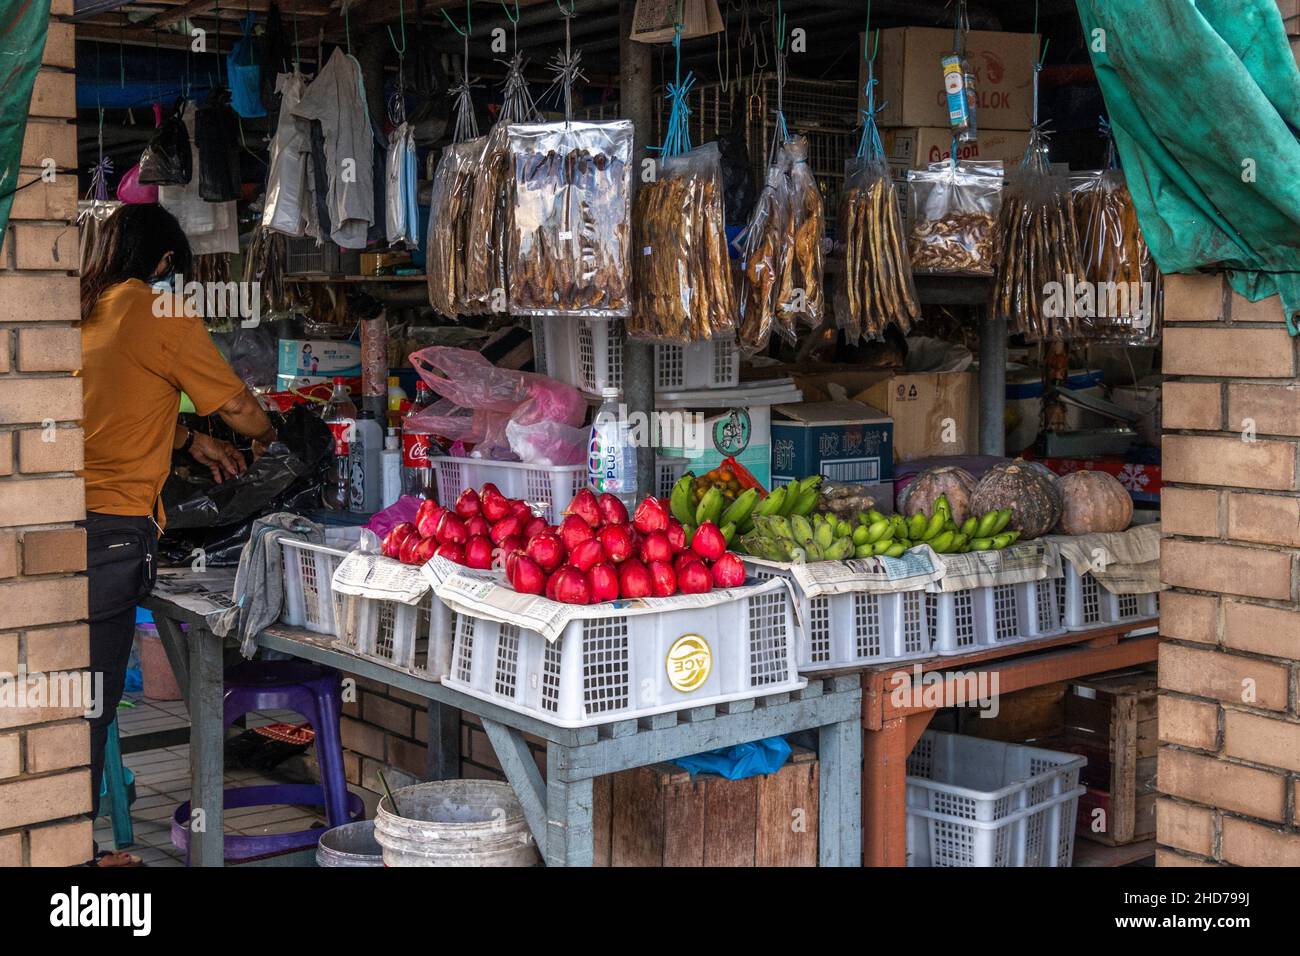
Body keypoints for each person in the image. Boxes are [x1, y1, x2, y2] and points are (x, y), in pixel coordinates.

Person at [79, 204, 278, 866]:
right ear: (166, 265)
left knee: (70, 689)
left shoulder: (90, 305)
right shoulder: (155, 310)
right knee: (92, 696)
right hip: (111, 532)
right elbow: (240, 406)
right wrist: (273, 438)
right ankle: (71, 853)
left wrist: (190, 439)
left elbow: (114, 410)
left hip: (59, 526)